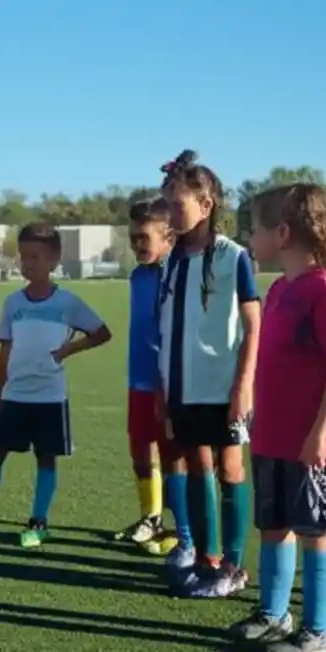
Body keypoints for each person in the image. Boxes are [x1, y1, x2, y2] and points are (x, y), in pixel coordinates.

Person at [228, 184, 326, 652]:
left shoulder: (324, 289)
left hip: (311, 444)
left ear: (282, 233)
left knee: (315, 531)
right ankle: (273, 613)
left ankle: (318, 631)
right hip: (274, 439)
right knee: (274, 525)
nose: (249, 238)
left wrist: (321, 433)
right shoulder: (281, 289)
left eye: (255, 229)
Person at [0, 223, 112, 548]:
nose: (27, 263)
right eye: (23, 257)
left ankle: (39, 522)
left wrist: (69, 349)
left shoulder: (67, 303)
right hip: (14, 394)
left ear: (54, 259)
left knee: (46, 457)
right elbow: (4, 350)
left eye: (35, 256)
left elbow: (101, 333)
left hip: (50, 396)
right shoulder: (12, 304)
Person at [156, 150, 261, 598]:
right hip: (183, 386)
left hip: (225, 386)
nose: (172, 215)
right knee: (197, 465)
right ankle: (206, 558)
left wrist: (244, 384)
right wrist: (164, 389)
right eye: (168, 206)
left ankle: (234, 565)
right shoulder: (170, 260)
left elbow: (254, 324)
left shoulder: (233, 257)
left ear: (207, 204)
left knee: (231, 466)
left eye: (178, 205)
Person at [116, 198, 186, 557]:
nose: (137, 245)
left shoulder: (176, 274)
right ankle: (151, 518)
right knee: (140, 450)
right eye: (132, 238)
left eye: (143, 237)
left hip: (169, 384)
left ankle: (181, 528)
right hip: (137, 380)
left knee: (174, 456)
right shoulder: (137, 275)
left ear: (167, 236)